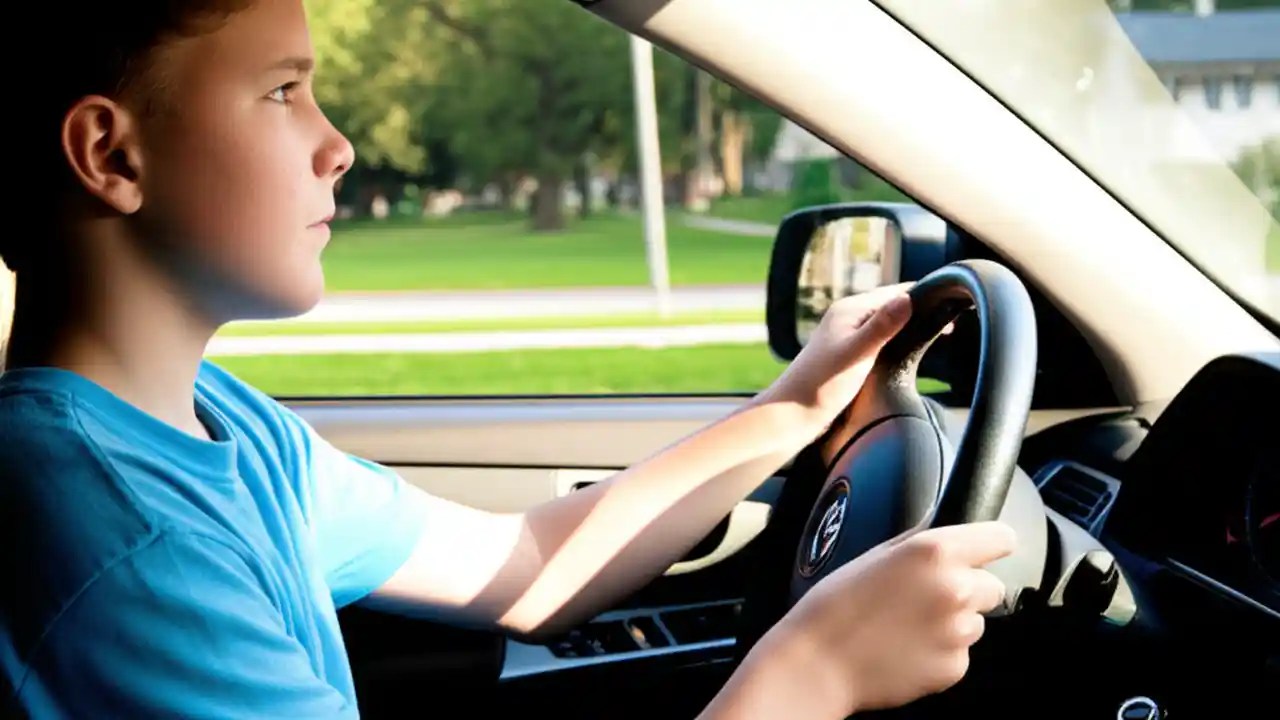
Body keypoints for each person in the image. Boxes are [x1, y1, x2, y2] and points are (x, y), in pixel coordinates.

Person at [0, 1, 1016, 718]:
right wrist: (816, 672)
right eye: (282, 91)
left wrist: (793, 408)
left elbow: (523, 565)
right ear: (111, 154)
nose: (338, 145)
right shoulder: (115, 535)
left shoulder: (220, 425)